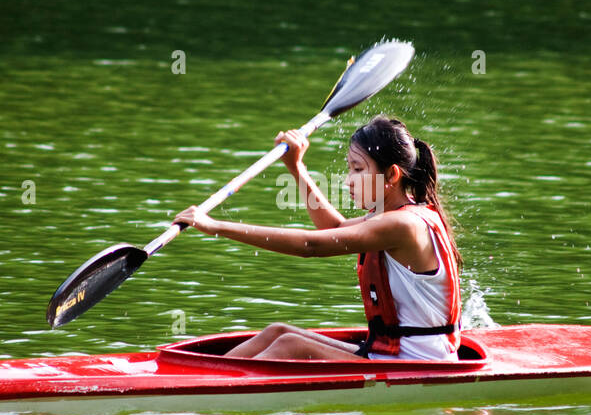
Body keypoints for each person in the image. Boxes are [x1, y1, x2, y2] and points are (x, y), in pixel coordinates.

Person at [173, 114, 463, 361]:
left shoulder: (403, 225)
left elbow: (311, 245)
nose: (348, 180)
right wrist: (295, 167)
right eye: (350, 168)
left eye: (358, 169)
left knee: (291, 345)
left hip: (417, 360)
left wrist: (216, 227)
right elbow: (334, 228)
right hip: (389, 351)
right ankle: (201, 378)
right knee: (278, 332)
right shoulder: (391, 216)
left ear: (391, 176)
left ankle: (212, 398)